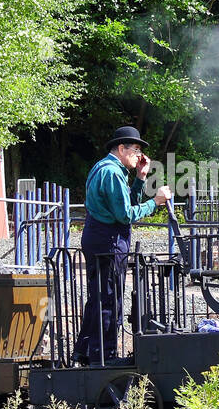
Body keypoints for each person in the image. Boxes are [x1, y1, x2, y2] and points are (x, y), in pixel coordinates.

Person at [73, 126, 173, 365]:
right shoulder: (112, 172)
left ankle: (85, 351)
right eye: (136, 149)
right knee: (109, 299)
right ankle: (103, 357)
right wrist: (156, 202)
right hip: (109, 242)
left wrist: (140, 178)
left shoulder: (104, 168)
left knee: (98, 297)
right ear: (121, 148)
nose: (139, 155)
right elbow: (125, 214)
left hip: (101, 238)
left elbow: (125, 202)